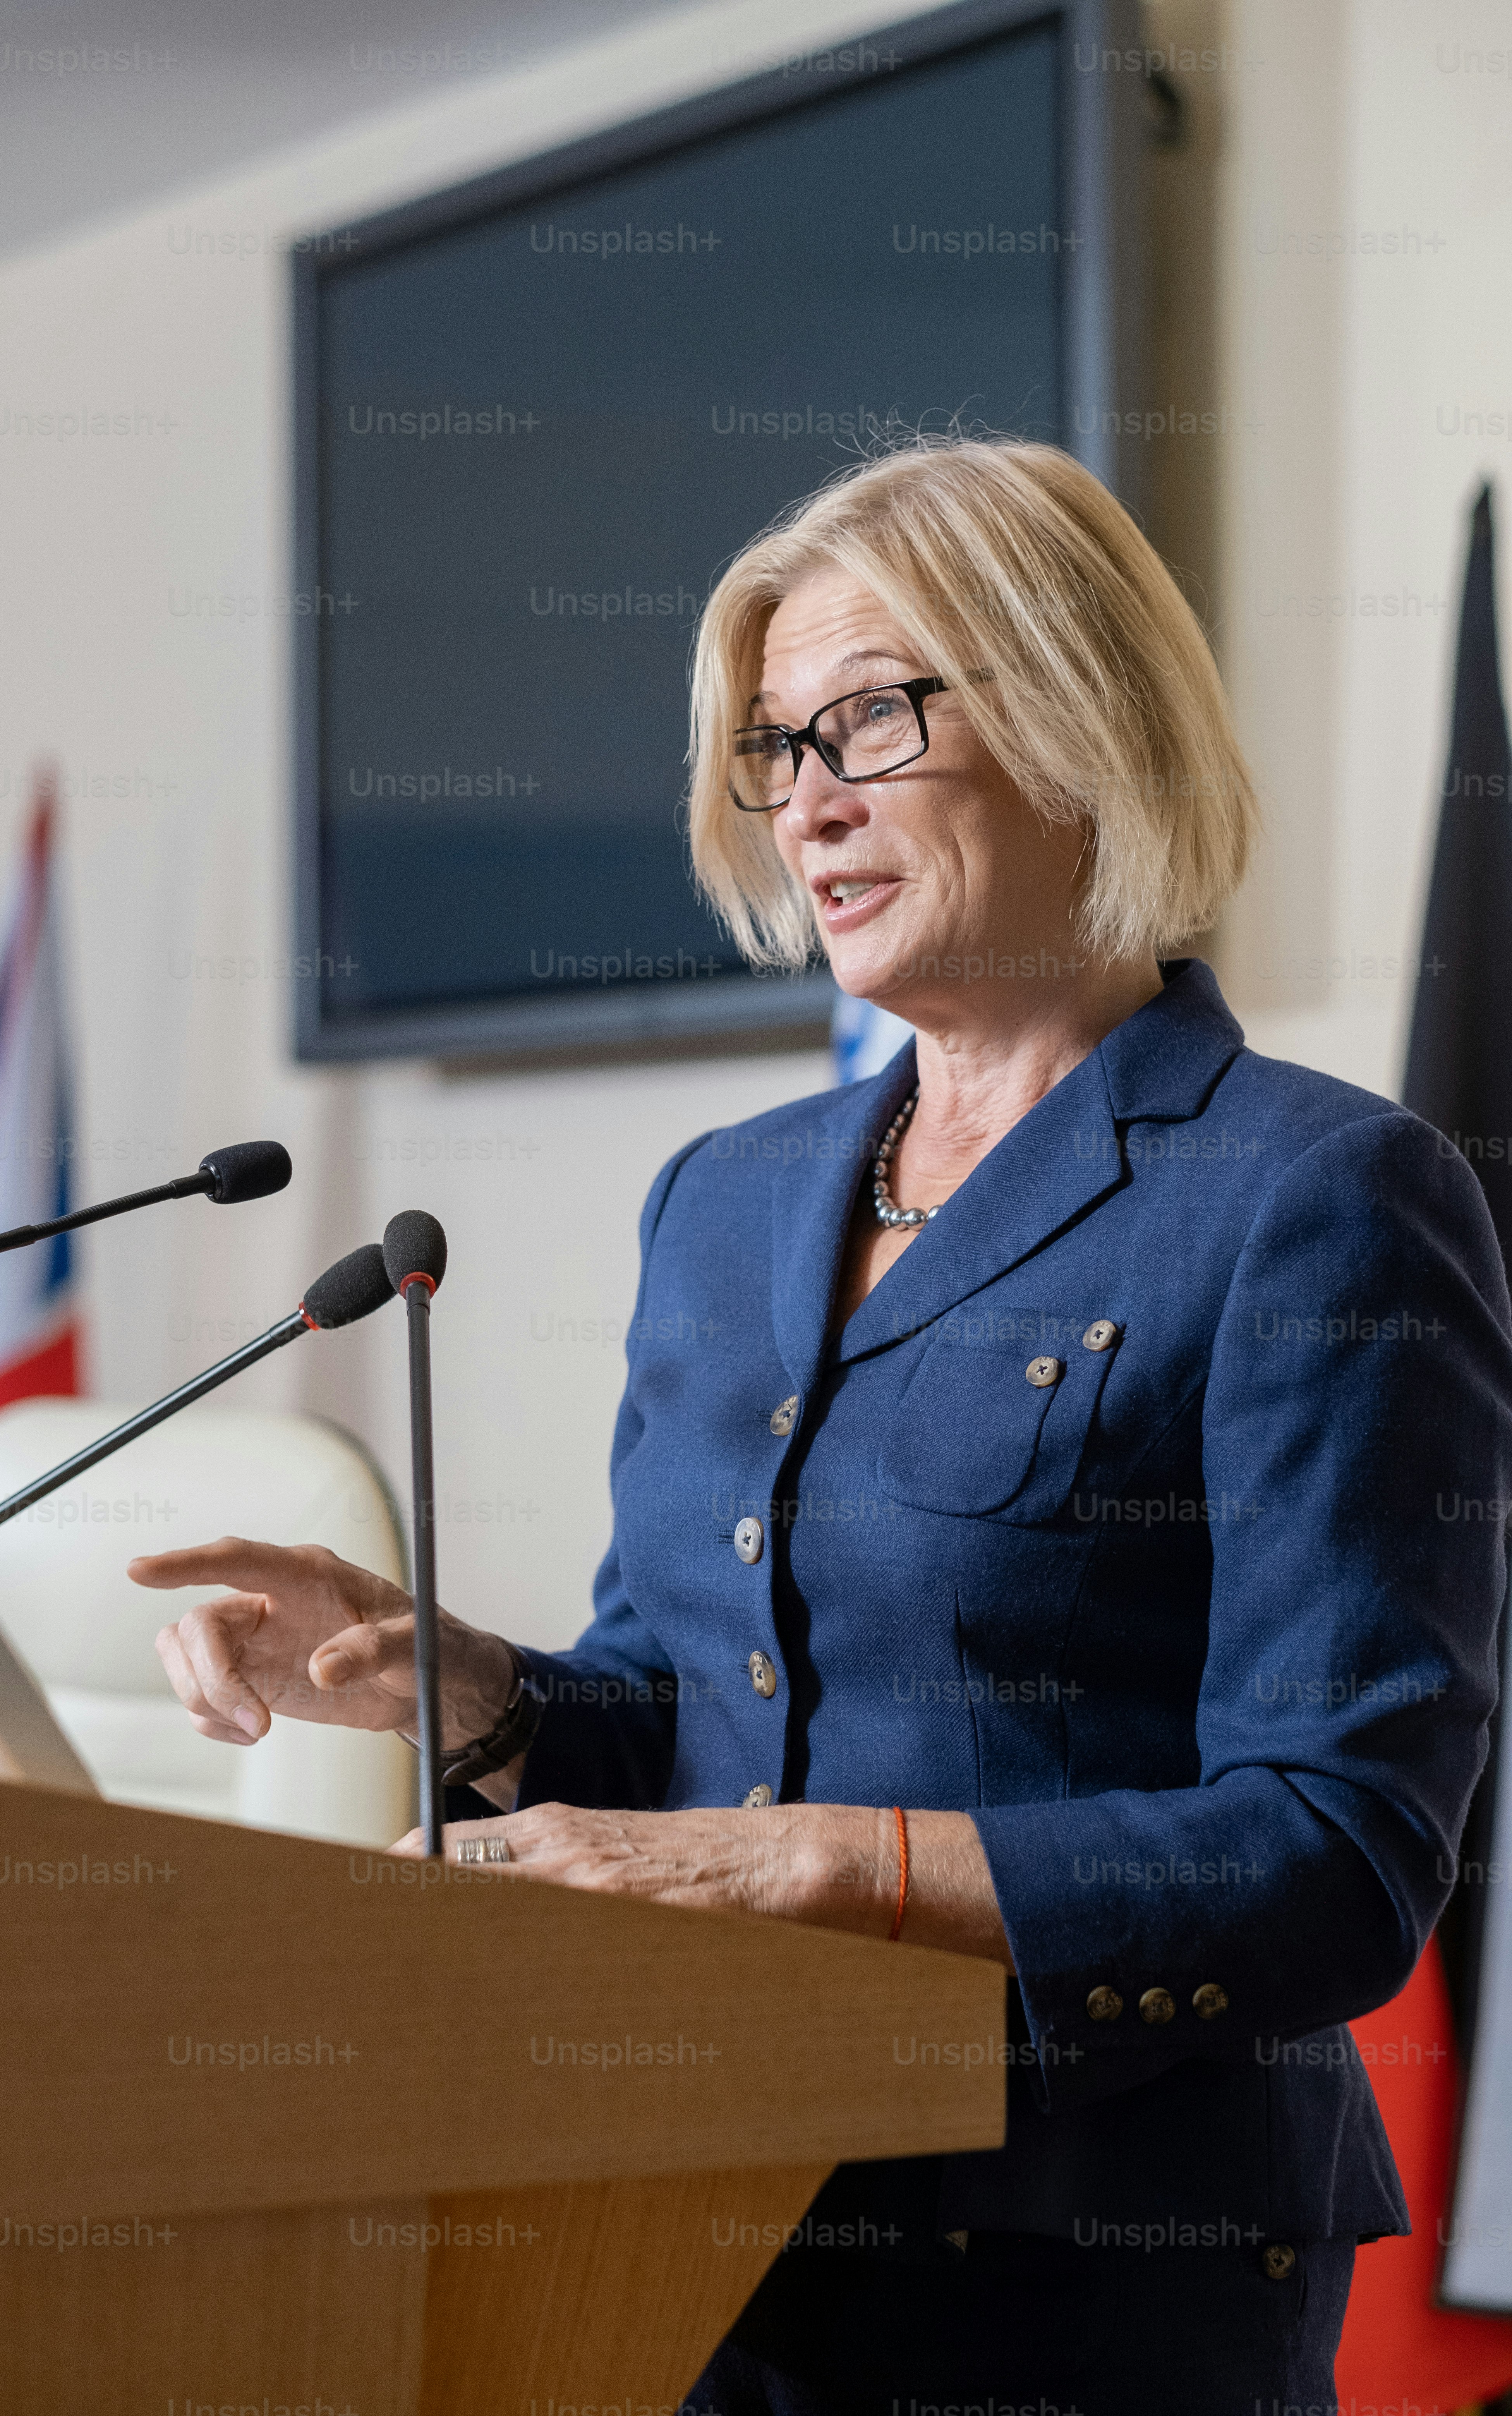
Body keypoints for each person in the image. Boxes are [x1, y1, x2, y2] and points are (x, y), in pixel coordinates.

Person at [133, 438, 1512, 2415]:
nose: (805, 802)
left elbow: (1335, 1852)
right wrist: (470, 1692)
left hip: (1076, 2284)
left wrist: (827, 1867)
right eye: (772, 749)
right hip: (667, 2220)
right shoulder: (725, 1197)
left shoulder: (1314, 1193)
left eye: (868, 718)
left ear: (1076, 711)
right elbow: (681, 1719)